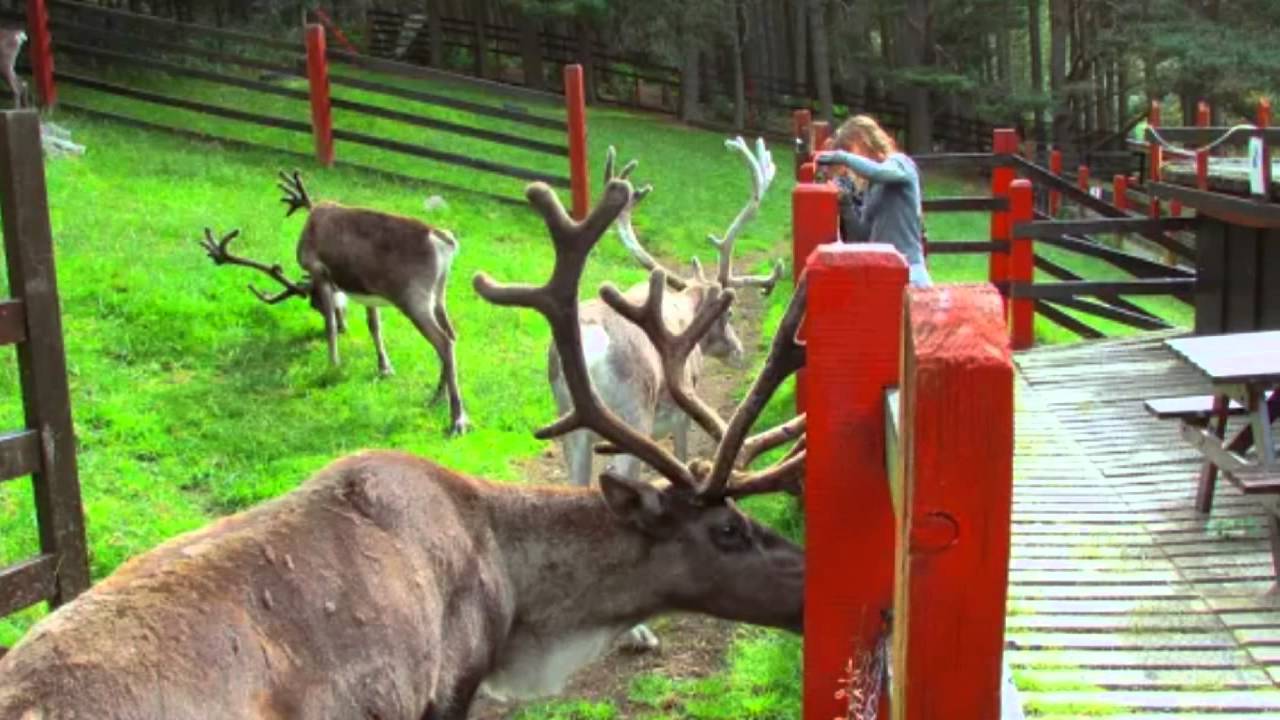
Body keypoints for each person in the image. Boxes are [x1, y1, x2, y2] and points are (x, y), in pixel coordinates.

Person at [815, 115, 932, 287]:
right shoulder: (871, 187)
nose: (849, 169)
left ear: (864, 141)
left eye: (851, 150)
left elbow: (879, 172)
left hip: (910, 273)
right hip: (884, 274)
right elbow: (862, 236)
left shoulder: (900, 163)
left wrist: (842, 157)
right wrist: (844, 202)